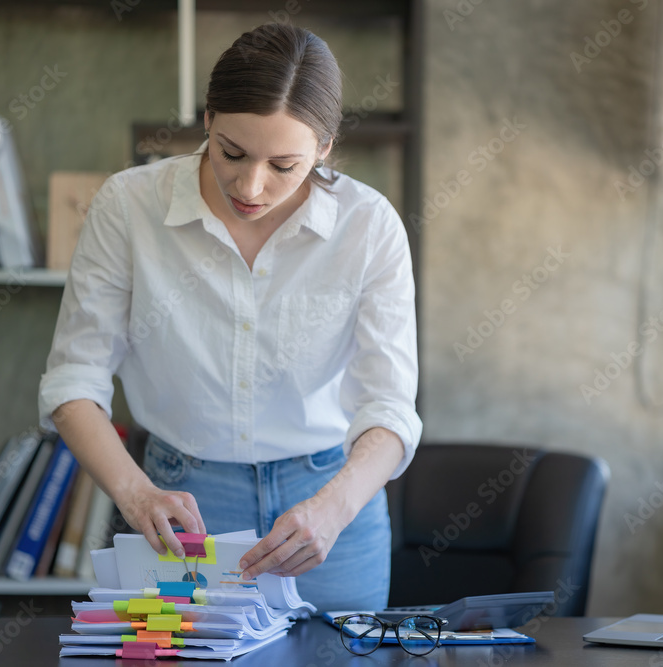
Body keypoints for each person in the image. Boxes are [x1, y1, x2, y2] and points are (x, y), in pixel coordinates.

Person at [38, 22, 421, 612]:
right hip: (179, 499)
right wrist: (135, 495)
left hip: (332, 506)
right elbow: (73, 380)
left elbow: (391, 406)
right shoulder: (128, 205)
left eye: (284, 165)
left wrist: (334, 508)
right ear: (209, 119)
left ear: (324, 146)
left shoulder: (368, 225)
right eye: (231, 152)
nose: (251, 185)